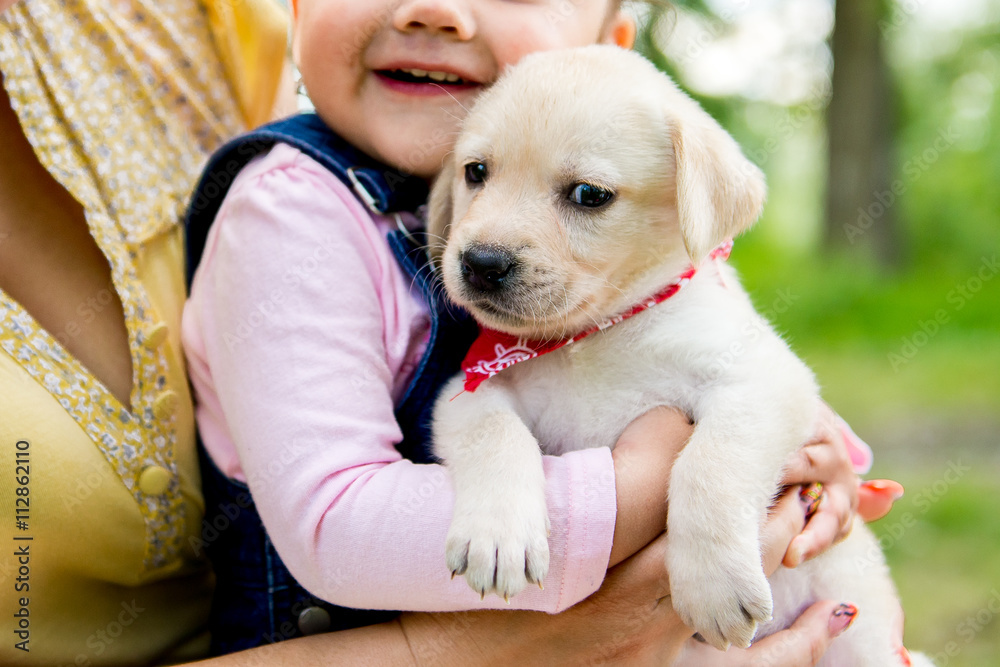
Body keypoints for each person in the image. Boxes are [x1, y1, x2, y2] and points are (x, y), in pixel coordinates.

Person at [181, 0, 899, 663]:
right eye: (479, 172)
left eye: (586, 195)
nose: (488, 246)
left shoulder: (681, 276)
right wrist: (626, 488)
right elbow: (466, 411)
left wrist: (791, 466)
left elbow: (774, 396)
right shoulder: (293, 213)